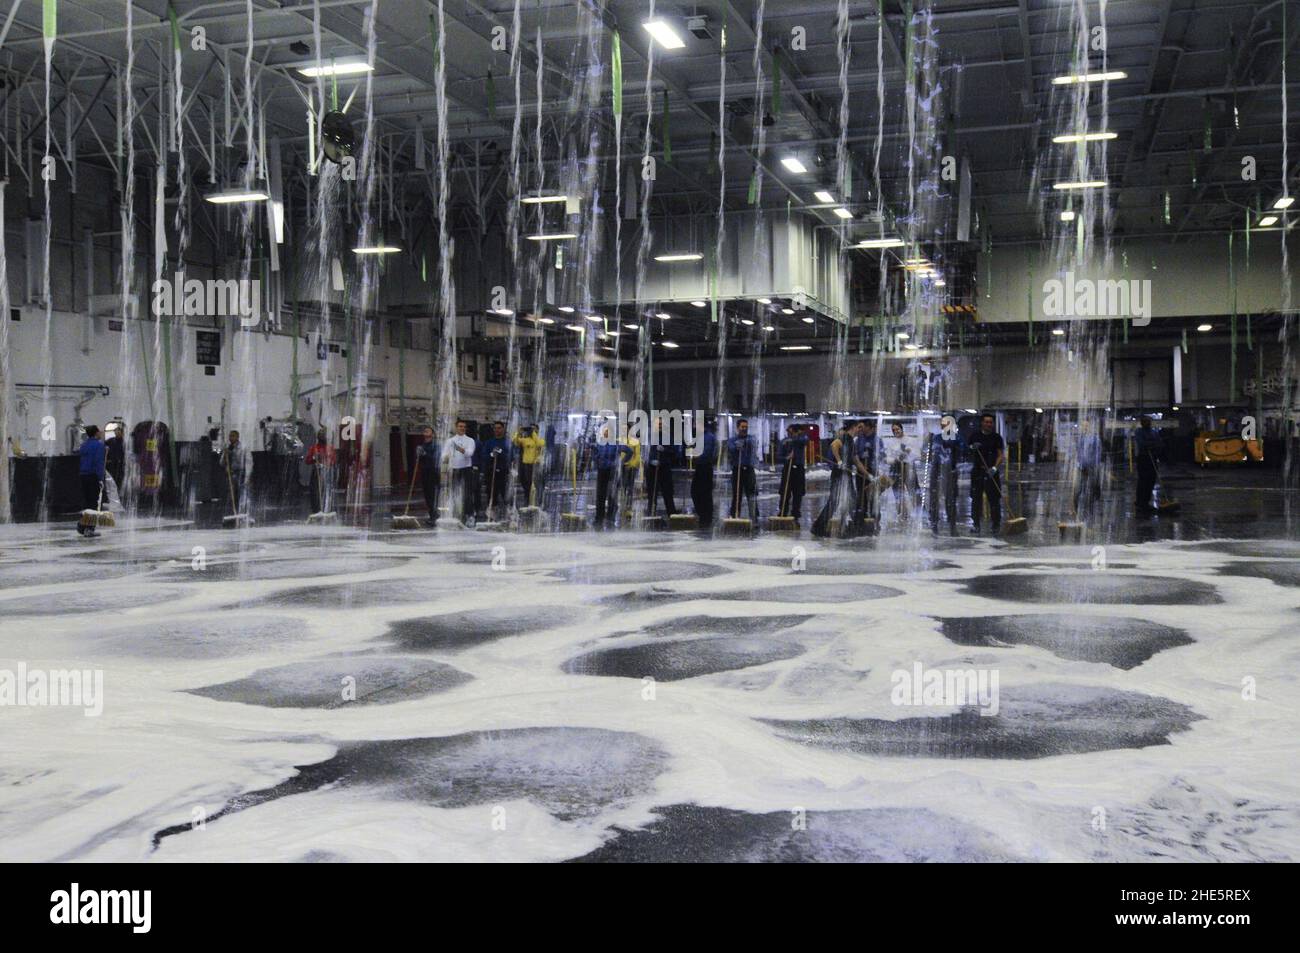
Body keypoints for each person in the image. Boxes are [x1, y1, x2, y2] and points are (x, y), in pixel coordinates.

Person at [968, 413, 1005, 534]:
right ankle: (976, 524)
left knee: (994, 500)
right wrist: (972, 447)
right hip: (977, 471)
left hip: (991, 472)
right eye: (987, 422)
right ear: (982, 423)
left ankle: (996, 524)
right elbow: (967, 450)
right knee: (976, 499)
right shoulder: (974, 436)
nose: (989, 424)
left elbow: (1000, 455)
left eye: (991, 422)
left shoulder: (996, 438)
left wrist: (994, 468)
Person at [928, 415, 964, 536]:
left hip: (950, 472)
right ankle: (934, 525)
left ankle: (952, 526)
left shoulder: (957, 438)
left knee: (951, 499)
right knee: (934, 499)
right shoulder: (936, 438)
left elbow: (962, 451)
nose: (943, 425)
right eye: (942, 423)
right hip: (936, 471)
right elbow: (931, 453)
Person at [592, 425, 632, 528]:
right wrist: (596, 460)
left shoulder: (616, 444)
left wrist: (621, 462)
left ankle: (610, 517)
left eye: (608, 431)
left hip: (612, 472)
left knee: (612, 495)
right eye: (605, 431)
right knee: (600, 495)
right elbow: (594, 453)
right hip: (602, 471)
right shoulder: (600, 443)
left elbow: (629, 451)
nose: (606, 433)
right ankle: (599, 518)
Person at [441, 419, 477, 526]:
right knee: (453, 492)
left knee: (467, 493)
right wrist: (446, 457)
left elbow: (469, 453)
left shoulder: (470, 440)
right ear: (456, 427)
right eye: (460, 426)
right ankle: (454, 514)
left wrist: (459, 449)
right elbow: (444, 455)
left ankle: (469, 515)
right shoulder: (450, 441)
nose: (462, 428)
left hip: (466, 469)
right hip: (454, 469)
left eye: (464, 427)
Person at [850, 420, 882, 530]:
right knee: (861, 494)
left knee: (873, 495)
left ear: (870, 427)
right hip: (861, 469)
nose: (861, 429)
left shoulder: (877, 440)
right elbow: (855, 454)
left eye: (863, 427)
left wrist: (873, 459)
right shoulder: (858, 439)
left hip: (873, 470)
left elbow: (881, 455)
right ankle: (860, 518)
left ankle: (875, 519)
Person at [77, 425, 107, 537]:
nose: (100, 433)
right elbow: (99, 463)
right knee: (93, 503)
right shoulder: (99, 446)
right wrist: (100, 478)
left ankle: (82, 525)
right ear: (96, 433)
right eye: (99, 431)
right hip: (93, 476)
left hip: (83, 475)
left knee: (86, 501)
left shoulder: (84, 445)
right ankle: (89, 529)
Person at [727, 418, 759, 522]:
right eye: (742, 427)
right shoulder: (732, 440)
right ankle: (735, 515)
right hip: (737, 470)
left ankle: (754, 518)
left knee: (751, 494)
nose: (744, 429)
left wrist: (744, 443)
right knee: (737, 494)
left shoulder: (751, 438)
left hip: (749, 470)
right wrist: (736, 447)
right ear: (737, 428)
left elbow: (754, 443)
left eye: (746, 427)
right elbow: (731, 448)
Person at [887, 421, 920, 522]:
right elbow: (888, 458)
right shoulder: (891, 443)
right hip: (895, 468)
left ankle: (920, 513)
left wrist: (909, 453)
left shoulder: (911, 440)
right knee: (897, 492)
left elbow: (918, 455)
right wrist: (895, 459)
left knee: (913, 490)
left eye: (897, 429)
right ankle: (902, 514)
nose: (896, 431)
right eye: (893, 430)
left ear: (902, 429)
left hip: (908, 466)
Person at [478, 421, 512, 520]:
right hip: (491, 471)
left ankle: (508, 514)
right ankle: (492, 515)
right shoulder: (489, 442)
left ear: (503, 429)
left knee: (505, 493)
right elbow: (484, 456)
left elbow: (510, 456)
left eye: (499, 428)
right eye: (495, 428)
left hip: (503, 472)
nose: (497, 430)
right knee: (491, 493)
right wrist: (492, 454)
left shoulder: (507, 442)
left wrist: (500, 452)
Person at [643, 422, 677, 516]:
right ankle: (651, 513)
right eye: (658, 425)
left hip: (664, 468)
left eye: (661, 425)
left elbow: (674, 452)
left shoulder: (668, 437)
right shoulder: (650, 437)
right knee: (652, 493)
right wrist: (650, 461)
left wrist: (664, 450)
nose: (659, 427)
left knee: (667, 492)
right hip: (651, 468)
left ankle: (671, 514)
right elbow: (645, 452)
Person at [777, 423, 809, 520]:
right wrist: (787, 458)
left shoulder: (802, 439)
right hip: (788, 469)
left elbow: (805, 440)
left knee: (798, 492)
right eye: (791, 431)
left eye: (795, 431)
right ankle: (782, 512)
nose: (792, 433)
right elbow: (778, 457)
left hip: (798, 469)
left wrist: (797, 437)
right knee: (785, 491)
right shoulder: (784, 442)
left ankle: (795, 514)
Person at [691, 418, 718, 528]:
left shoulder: (708, 437)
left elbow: (706, 454)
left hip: (705, 468)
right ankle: (703, 515)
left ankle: (706, 517)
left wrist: (694, 456)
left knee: (704, 493)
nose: (694, 426)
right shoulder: (700, 437)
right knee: (696, 492)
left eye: (695, 424)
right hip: (700, 467)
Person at [1074, 419, 1103, 519]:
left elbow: (1097, 454)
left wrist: (1093, 466)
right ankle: (1076, 510)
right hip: (1082, 467)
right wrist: (1080, 464)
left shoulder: (1095, 438)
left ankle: (1090, 510)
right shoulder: (1080, 438)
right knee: (1078, 489)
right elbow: (1079, 452)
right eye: (1083, 426)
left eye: (1086, 426)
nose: (1085, 428)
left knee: (1091, 489)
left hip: (1092, 467)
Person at [1133, 415, 1163, 513]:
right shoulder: (1138, 432)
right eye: (1145, 421)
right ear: (1142, 423)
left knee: (1151, 480)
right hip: (1143, 458)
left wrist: (1151, 445)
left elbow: (1159, 444)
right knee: (1143, 480)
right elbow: (1141, 444)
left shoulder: (1154, 432)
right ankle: (1140, 501)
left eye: (1149, 421)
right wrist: (1151, 444)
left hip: (1152, 458)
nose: (1147, 423)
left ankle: (1146, 501)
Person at [512, 424, 546, 507]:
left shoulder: (540, 440)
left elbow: (539, 444)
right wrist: (518, 432)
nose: (532, 431)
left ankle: (539, 500)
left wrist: (533, 433)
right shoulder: (526, 440)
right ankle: (527, 498)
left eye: (534, 430)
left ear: (537, 431)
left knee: (536, 484)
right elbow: (515, 441)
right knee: (526, 483)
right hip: (526, 465)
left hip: (536, 466)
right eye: (531, 430)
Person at [305, 429, 337, 514]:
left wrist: (327, 461)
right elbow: (307, 460)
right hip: (317, 472)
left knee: (327, 491)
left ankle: (327, 509)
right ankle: (316, 510)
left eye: (324, 436)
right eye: (321, 436)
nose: (323, 438)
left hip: (326, 472)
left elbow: (333, 461)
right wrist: (314, 458)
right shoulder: (314, 448)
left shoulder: (329, 448)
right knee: (315, 492)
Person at [414, 426, 441, 526]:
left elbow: (436, 459)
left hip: (434, 473)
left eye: (428, 430)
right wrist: (418, 454)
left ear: (432, 434)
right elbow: (418, 461)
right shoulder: (422, 446)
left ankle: (434, 515)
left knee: (433, 495)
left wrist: (424, 454)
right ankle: (432, 514)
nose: (425, 431)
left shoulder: (436, 446)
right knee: (427, 495)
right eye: (424, 430)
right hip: (425, 472)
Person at [220, 430, 248, 512]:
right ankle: (232, 512)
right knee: (231, 495)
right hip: (230, 475)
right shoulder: (228, 448)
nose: (230, 438)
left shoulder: (242, 448)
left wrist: (232, 453)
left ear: (237, 437)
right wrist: (225, 455)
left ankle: (242, 511)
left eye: (232, 436)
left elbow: (241, 461)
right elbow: (221, 463)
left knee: (240, 494)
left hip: (240, 474)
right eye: (230, 436)